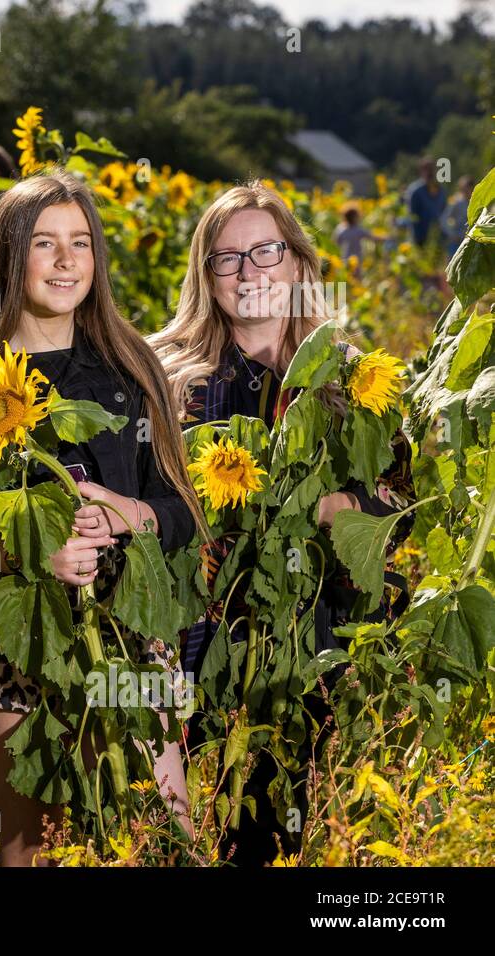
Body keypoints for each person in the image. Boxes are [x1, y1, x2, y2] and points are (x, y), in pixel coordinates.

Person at [0, 169, 204, 866]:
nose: (66, 261)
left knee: (160, 829)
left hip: (124, 638)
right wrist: (21, 551)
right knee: (32, 841)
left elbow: (182, 512)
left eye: (80, 242)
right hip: (10, 643)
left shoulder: (129, 369)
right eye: (44, 243)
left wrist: (125, 515)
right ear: (9, 257)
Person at [149, 180, 414, 865]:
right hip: (195, 638)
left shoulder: (350, 381)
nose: (249, 273)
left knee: (286, 829)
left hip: (315, 643)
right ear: (206, 273)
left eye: (266, 252)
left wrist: (341, 510)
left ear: (297, 262)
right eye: (228, 258)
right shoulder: (168, 379)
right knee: (182, 832)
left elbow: (399, 503)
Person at [404, 157, 447, 246]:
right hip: (419, 239)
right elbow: (411, 216)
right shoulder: (415, 191)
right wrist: (416, 239)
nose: (430, 172)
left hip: (438, 239)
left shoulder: (441, 191)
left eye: (432, 169)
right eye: (427, 169)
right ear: (421, 171)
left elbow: (444, 213)